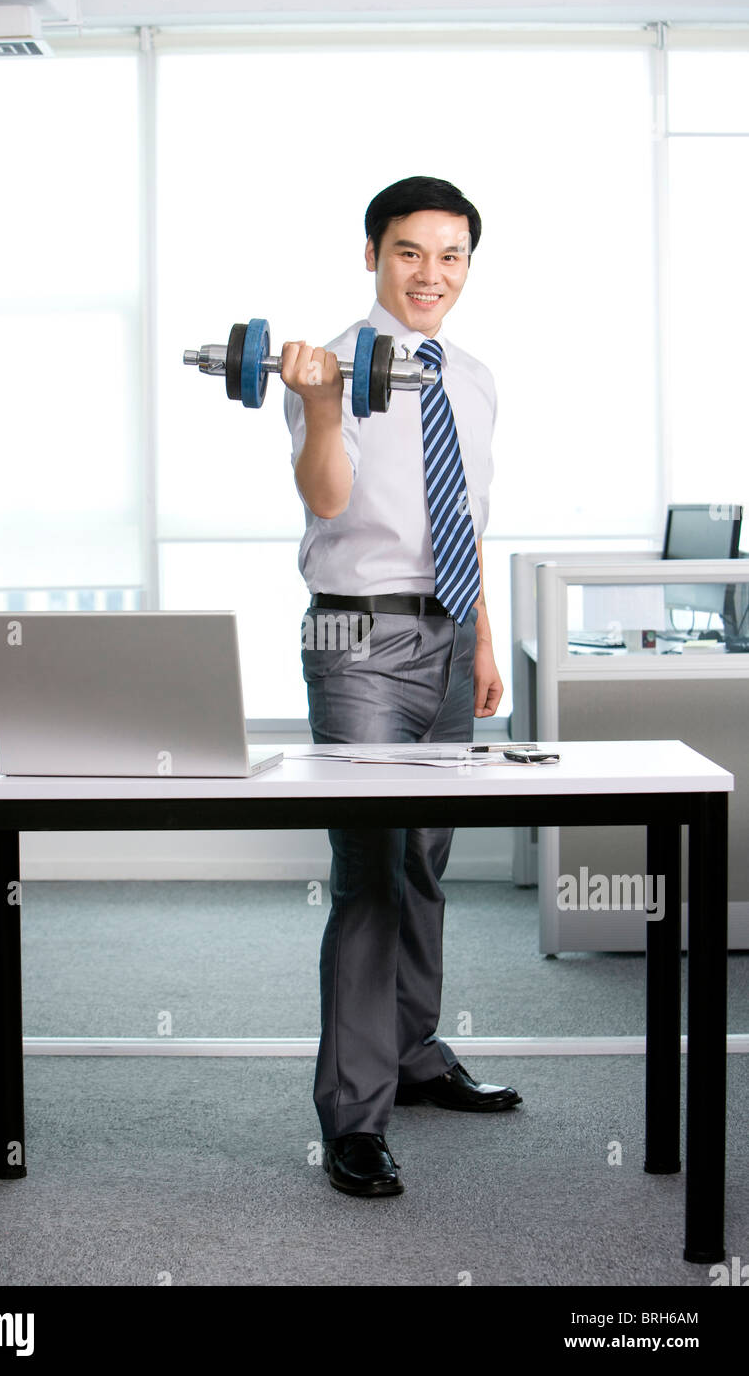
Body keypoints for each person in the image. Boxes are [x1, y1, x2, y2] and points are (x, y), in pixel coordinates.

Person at [281, 175, 522, 1199]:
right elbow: (327, 497)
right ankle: (351, 1116)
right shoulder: (330, 367)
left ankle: (416, 1056)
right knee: (371, 873)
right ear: (373, 255)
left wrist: (479, 638)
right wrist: (322, 408)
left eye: (451, 255)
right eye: (409, 252)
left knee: (424, 861)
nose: (431, 273)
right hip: (357, 634)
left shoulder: (470, 376)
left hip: (443, 630)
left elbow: (464, 513)